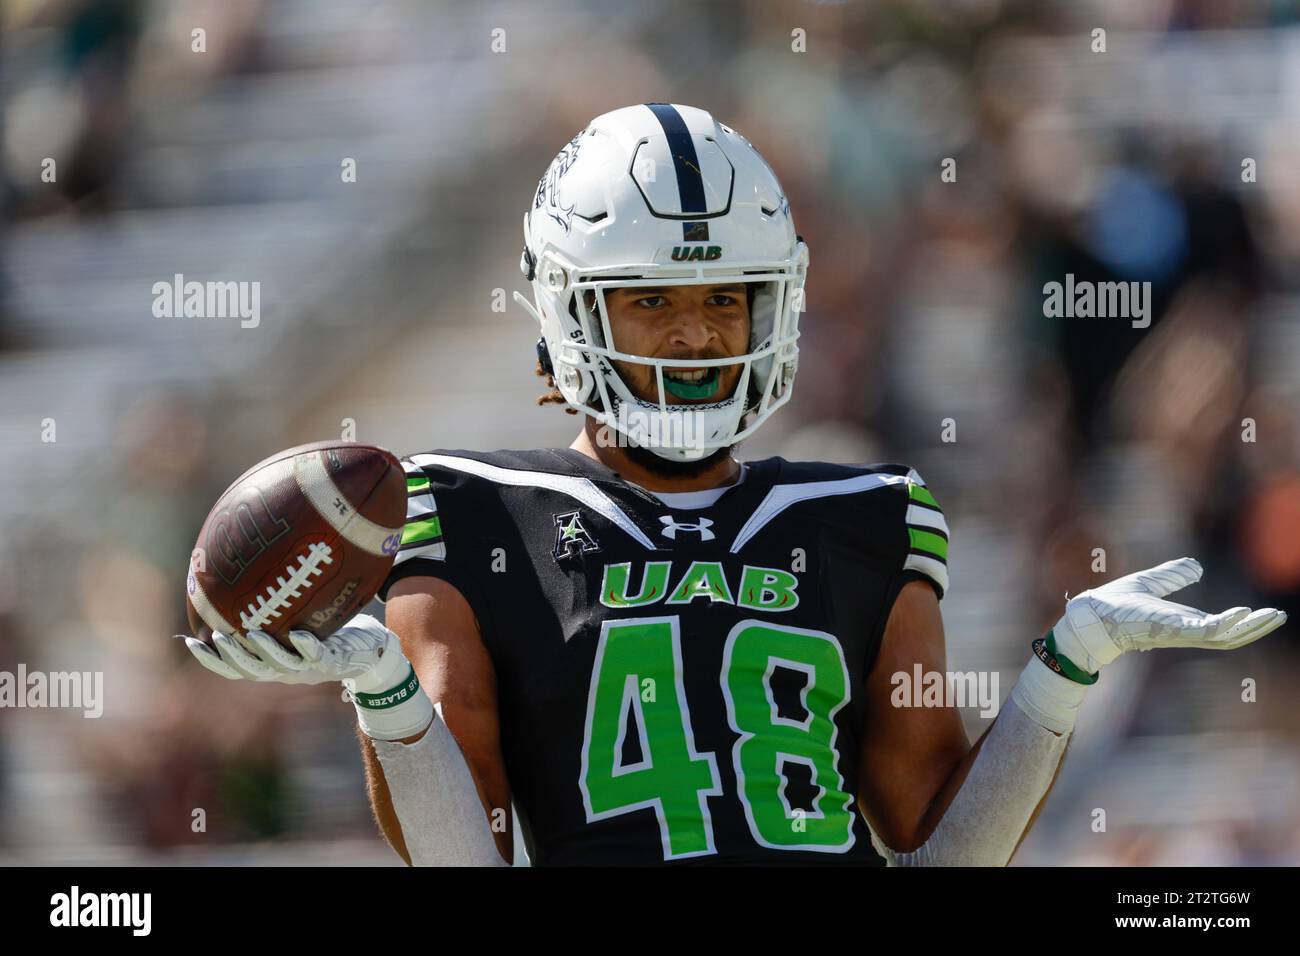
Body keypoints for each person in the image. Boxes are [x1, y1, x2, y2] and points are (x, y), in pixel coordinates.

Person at [186, 104, 1287, 866]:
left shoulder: (866, 517)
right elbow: (466, 858)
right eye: (653, 303)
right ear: (569, 307)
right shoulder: (466, 509)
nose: (698, 334)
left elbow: (938, 847)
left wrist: (1065, 665)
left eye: (725, 298)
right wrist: (385, 694)